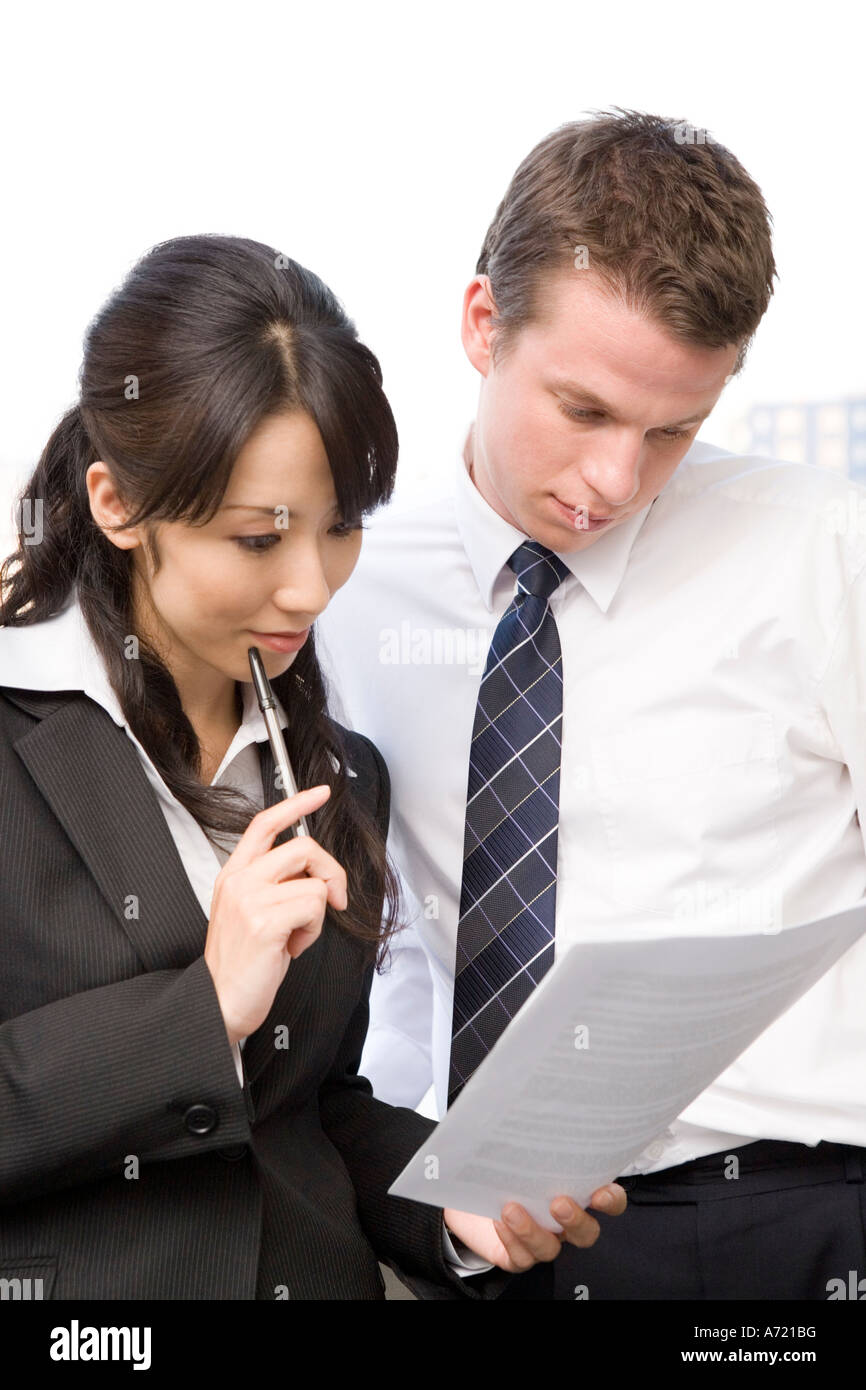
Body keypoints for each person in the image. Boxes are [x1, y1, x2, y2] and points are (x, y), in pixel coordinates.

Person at [0, 234, 627, 1301]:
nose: (310, 588)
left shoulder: (339, 776)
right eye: (259, 539)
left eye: (339, 528)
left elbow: (309, 1108)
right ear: (116, 505)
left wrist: (452, 1201)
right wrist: (203, 1008)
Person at [315, 109, 866, 1300]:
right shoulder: (344, 592)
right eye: (583, 411)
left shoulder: (820, 547)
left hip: (783, 1213)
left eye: (673, 430)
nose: (614, 481)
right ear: (480, 326)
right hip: (462, 1231)